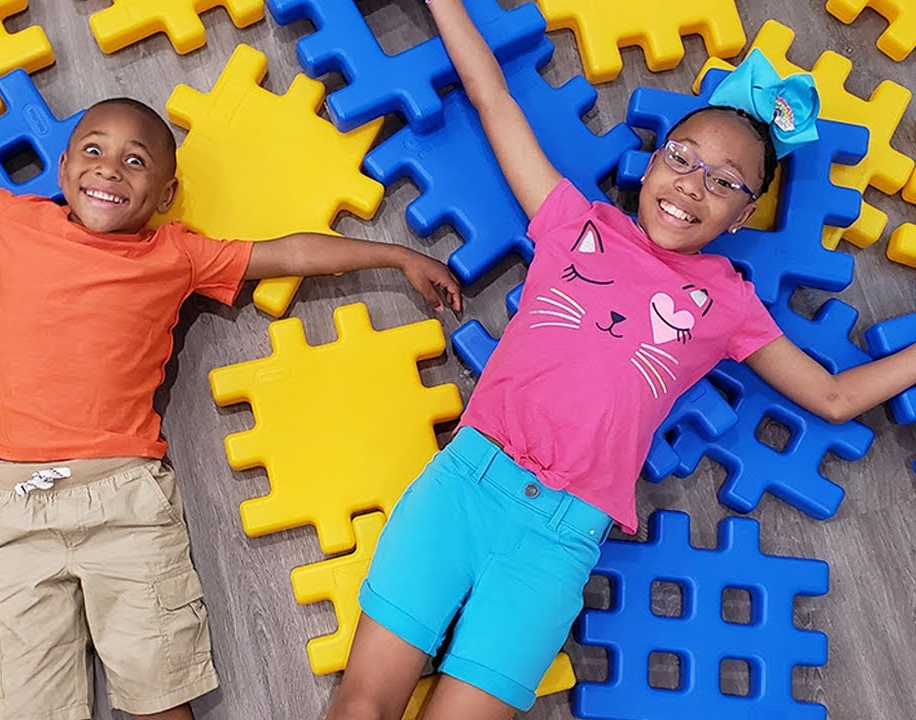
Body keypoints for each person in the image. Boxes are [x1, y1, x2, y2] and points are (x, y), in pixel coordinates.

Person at [325, 2, 916, 719]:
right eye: (683, 158)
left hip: (558, 541)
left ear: (744, 214)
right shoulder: (573, 219)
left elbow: (832, 397)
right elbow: (492, 96)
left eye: (726, 182)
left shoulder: (728, 302)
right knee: (362, 707)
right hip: (465, 487)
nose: (695, 184)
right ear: (653, 160)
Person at [0, 97, 461, 720]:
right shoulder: (12, 219)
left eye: (136, 161)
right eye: (94, 150)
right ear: (64, 167)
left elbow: (289, 255)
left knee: (160, 701)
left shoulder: (175, 255)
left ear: (164, 193)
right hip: (19, 507)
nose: (109, 169)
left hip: (124, 500)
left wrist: (398, 256)